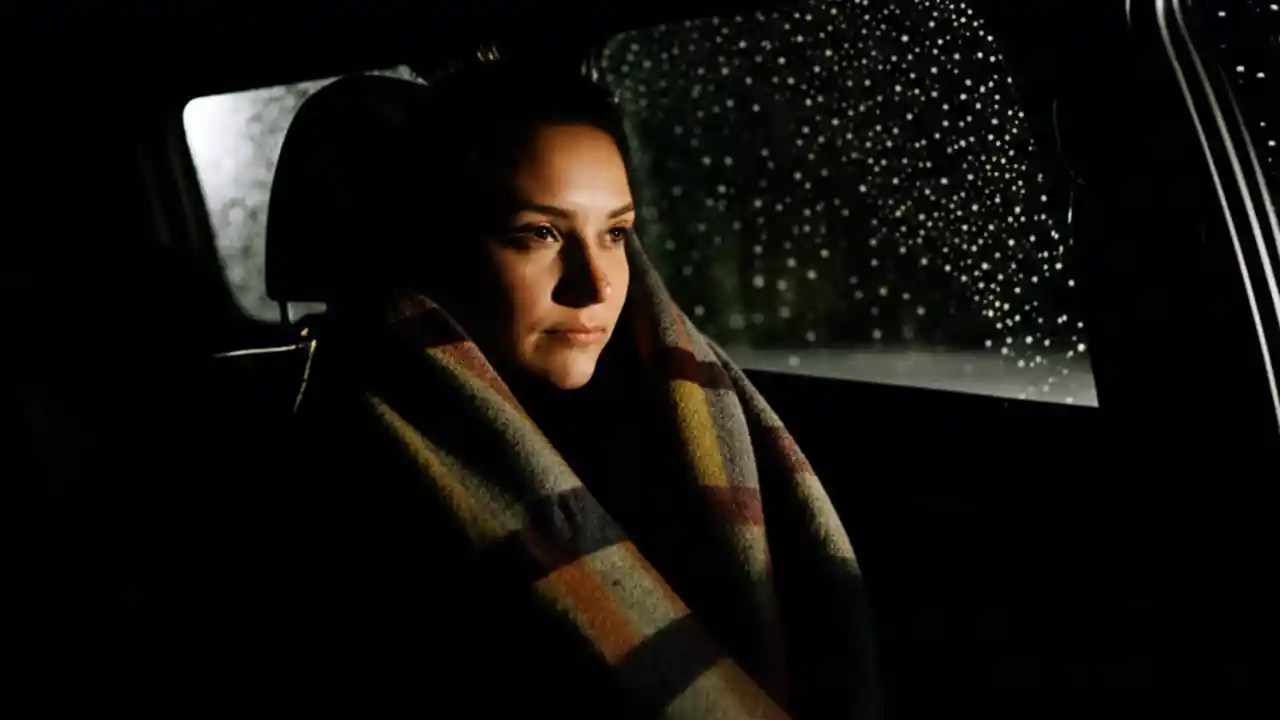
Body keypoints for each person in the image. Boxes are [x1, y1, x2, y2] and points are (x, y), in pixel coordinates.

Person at [263, 60, 880, 719]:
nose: (597, 284)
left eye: (615, 233)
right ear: (438, 245)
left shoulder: (669, 418)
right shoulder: (360, 468)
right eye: (539, 233)